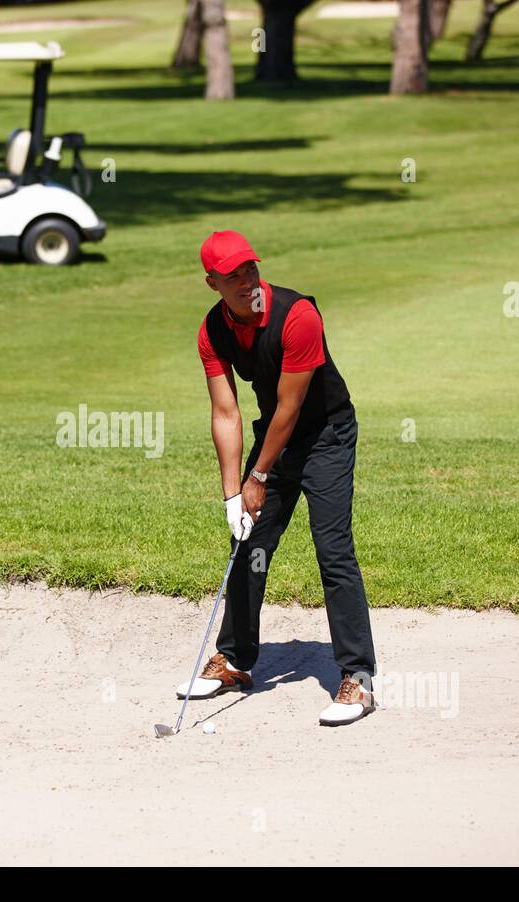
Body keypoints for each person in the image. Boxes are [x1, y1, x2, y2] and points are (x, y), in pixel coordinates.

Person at [178, 230, 378, 726]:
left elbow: (291, 407)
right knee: (248, 543)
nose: (247, 281)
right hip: (276, 437)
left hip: (326, 436)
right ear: (212, 284)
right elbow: (225, 412)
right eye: (233, 276)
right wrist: (232, 493)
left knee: (332, 549)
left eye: (250, 268)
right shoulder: (213, 330)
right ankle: (236, 660)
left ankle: (357, 678)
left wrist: (258, 475)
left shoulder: (298, 316)